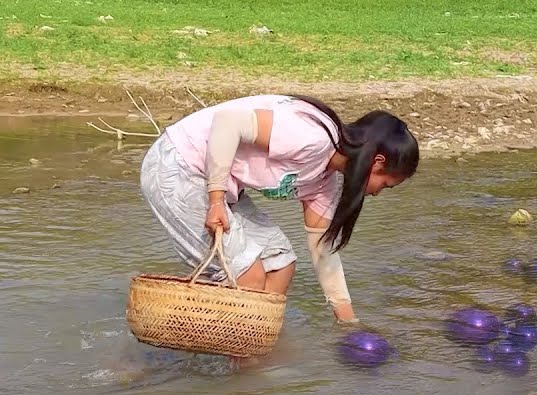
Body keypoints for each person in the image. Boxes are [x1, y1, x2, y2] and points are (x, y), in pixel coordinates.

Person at [139, 93, 419, 327]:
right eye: (385, 184)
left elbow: (324, 252)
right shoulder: (312, 137)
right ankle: (239, 362)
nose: (377, 192)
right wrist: (215, 200)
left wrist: (348, 324)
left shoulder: (324, 183)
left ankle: (249, 354)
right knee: (248, 273)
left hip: (223, 187)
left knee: (279, 264)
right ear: (377, 162)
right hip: (179, 164)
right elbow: (227, 123)